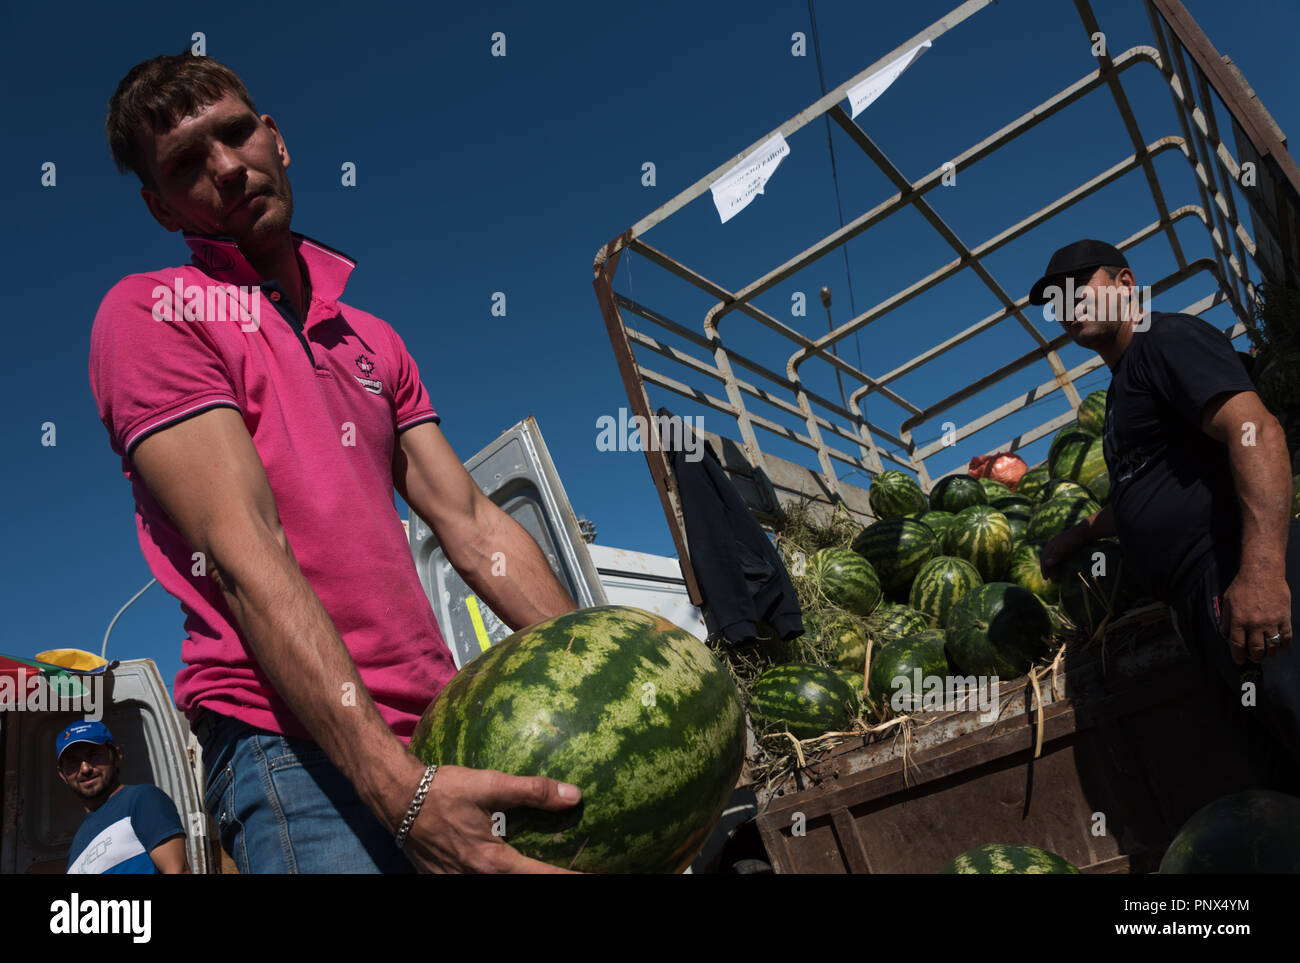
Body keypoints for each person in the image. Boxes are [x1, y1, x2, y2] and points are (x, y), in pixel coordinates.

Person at [90, 53, 582, 873]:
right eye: (185, 163)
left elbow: (469, 520)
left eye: (235, 133)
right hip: (294, 750)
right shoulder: (151, 313)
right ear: (159, 204)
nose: (224, 167)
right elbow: (246, 551)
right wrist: (398, 790)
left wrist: (601, 670)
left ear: (275, 138)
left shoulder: (371, 339)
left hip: (437, 731)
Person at [1030, 238, 1300, 790]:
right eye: (1056, 301)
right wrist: (1077, 533)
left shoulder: (1164, 339)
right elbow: (1140, 490)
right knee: (1281, 765)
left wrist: (1264, 574)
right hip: (1203, 598)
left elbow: (1257, 432)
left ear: (1126, 286)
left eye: (1080, 289)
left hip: (1234, 566)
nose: (1067, 305)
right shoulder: (1122, 388)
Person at [58, 721, 190, 874]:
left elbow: (177, 870)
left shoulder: (142, 799)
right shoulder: (74, 850)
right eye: (73, 762)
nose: (85, 769)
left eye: (94, 755)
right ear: (62, 774)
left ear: (116, 755)